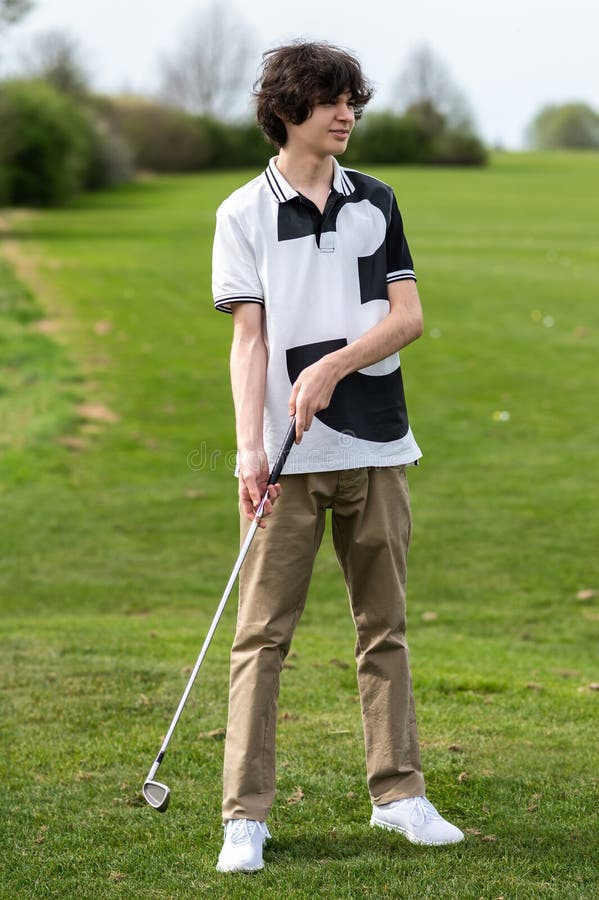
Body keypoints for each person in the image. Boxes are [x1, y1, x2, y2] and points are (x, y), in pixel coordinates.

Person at [211, 40, 464, 873]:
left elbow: (408, 317)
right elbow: (248, 341)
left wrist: (328, 364)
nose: (346, 113)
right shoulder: (242, 211)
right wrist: (249, 450)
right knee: (260, 638)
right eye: (331, 100)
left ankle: (399, 796)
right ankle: (244, 817)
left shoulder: (377, 199)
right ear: (287, 110)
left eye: (352, 99)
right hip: (287, 458)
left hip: (378, 444)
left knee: (382, 630)